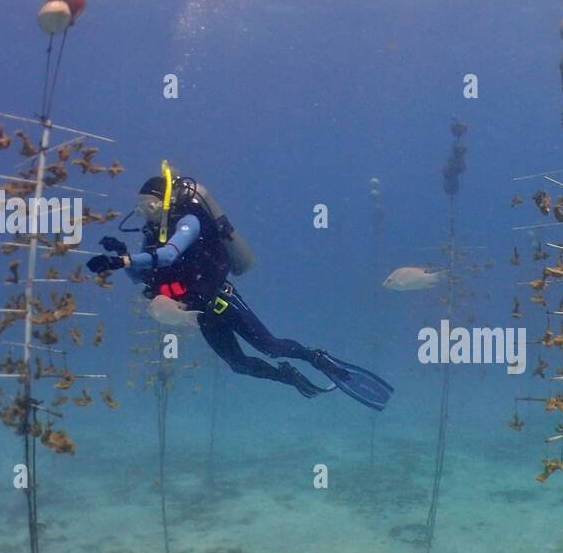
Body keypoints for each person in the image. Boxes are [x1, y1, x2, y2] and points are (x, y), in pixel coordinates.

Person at [87, 166, 392, 410]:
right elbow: (143, 277)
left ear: (164, 200)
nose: (145, 213)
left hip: (222, 300)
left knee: (270, 346)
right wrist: (121, 256)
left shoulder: (189, 221)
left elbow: (170, 255)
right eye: (140, 208)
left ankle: (319, 360)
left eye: (149, 205)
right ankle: (287, 377)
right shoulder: (151, 236)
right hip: (200, 313)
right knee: (238, 365)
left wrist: (122, 261)